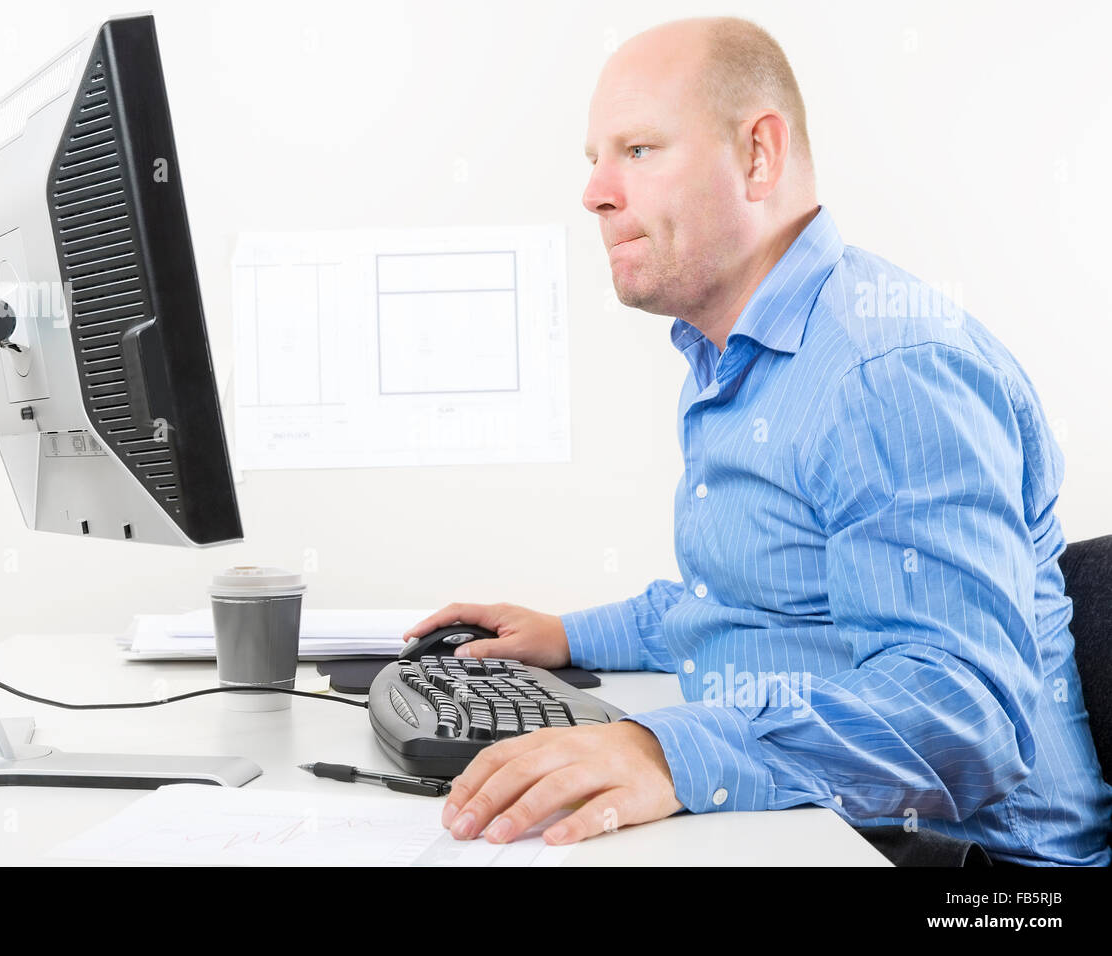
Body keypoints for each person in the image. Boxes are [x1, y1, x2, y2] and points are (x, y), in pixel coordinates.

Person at [403, 16, 1112, 865]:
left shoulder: (889, 372)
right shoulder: (735, 356)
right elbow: (748, 607)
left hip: (984, 877)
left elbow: (965, 718)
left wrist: (667, 753)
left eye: (637, 150)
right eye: (593, 159)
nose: (594, 192)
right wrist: (565, 633)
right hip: (832, 827)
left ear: (758, 157)